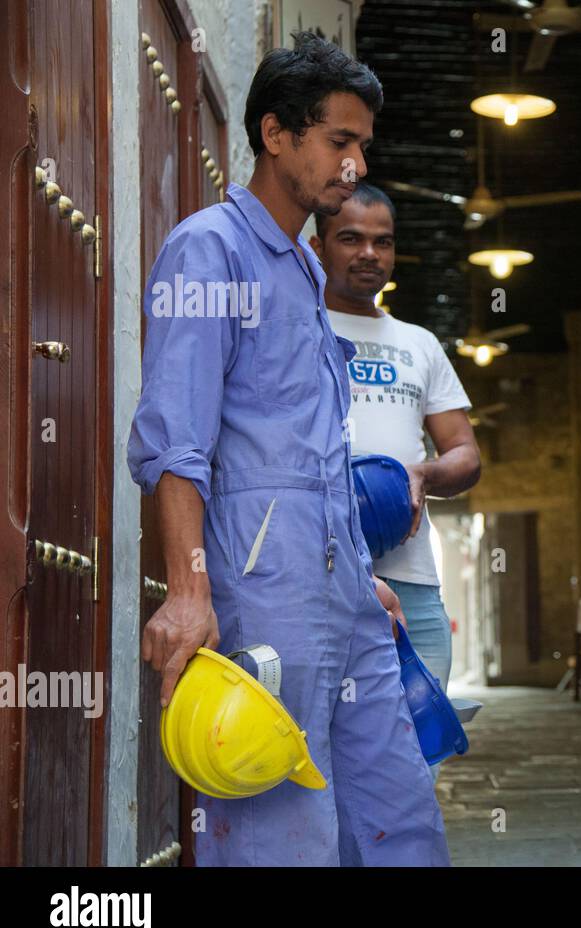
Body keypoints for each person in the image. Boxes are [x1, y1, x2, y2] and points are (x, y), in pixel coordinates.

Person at [127, 32, 449, 866]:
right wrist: (190, 595)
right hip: (262, 592)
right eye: (339, 142)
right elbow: (175, 444)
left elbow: (306, 446)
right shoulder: (212, 251)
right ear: (277, 134)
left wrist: (354, 566)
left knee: (396, 810)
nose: (354, 164)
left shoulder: (305, 272)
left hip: (342, 590)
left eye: (363, 147)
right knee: (280, 825)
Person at [313, 182, 480, 733]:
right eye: (351, 238)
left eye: (382, 242)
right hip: (318, 572)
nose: (368, 253)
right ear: (317, 247)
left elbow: (466, 454)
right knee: (333, 742)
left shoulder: (419, 344)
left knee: (418, 743)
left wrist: (422, 473)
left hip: (412, 581)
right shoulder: (295, 332)